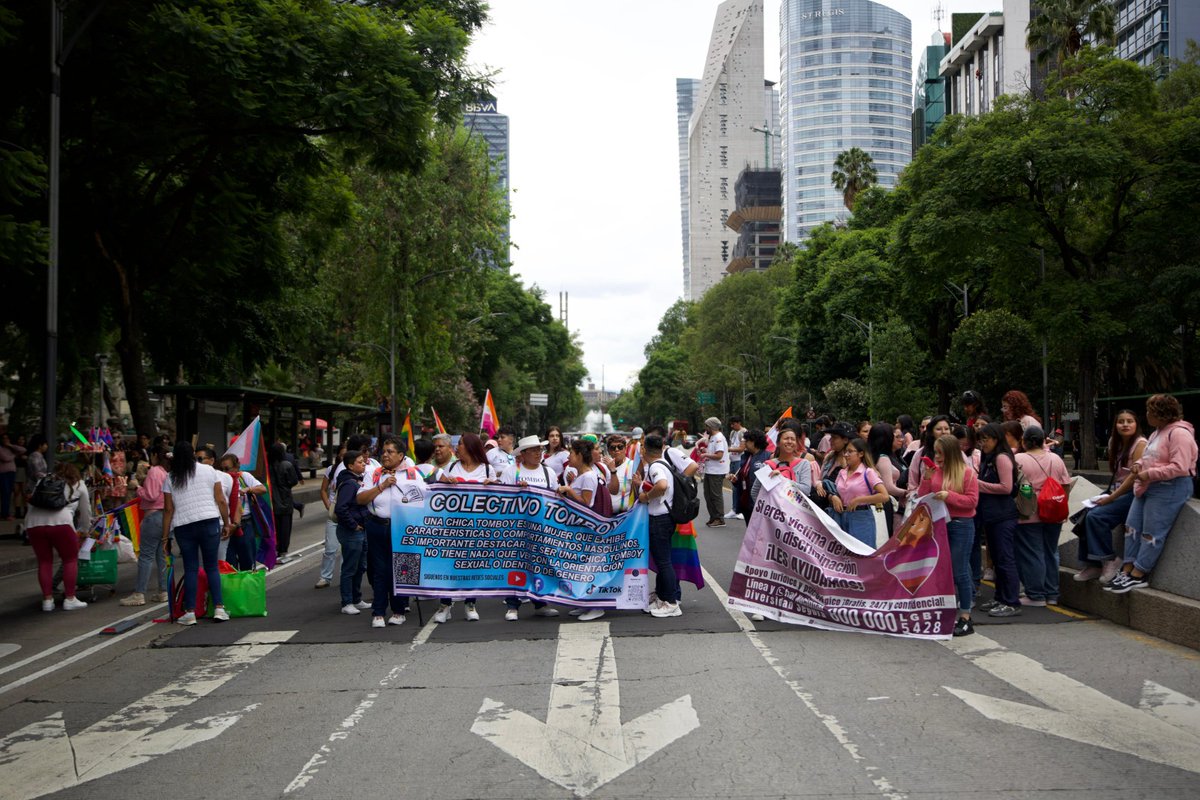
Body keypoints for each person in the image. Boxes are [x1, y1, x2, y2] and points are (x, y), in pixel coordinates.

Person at [1106, 394, 1197, 594]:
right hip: (1148, 485)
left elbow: (1180, 467)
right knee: (1132, 527)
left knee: (1151, 533)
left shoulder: (1180, 434)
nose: (1146, 415)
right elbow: (1149, 456)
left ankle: (1140, 573)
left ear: (1160, 414)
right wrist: (1139, 465)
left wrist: (1148, 473)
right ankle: (1128, 567)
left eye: (1149, 411)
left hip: (1169, 487)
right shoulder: (1157, 432)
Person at [162, 441, 232, 624]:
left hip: (183, 526)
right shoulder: (209, 471)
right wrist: (227, 523)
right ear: (193, 453)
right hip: (209, 522)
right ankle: (219, 608)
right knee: (212, 567)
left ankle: (190, 612)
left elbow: (168, 510)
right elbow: (221, 500)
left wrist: (165, 537)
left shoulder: (170, 478)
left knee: (191, 568)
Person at [1074, 409, 1146, 585]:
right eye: (1121, 421)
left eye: (1130, 421)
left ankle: (1110, 560)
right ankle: (1093, 564)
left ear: (1136, 424)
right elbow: (1116, 474)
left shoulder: (1141, 444)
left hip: (1132, 493)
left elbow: (1133, 477)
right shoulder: (1114, 441)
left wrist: (1111, 498)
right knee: (1083, 516)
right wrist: (1108, 495)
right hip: (1115, 490)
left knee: (1097, 517)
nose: (1125, 424)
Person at [918, 434, 980, 636]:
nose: (936, 457)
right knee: (943, 569)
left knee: (959, 570)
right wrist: (927, 479)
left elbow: (972, 502)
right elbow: (922, 497)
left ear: (950, 453)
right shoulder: (935, 471)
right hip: (940, 524)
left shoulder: (968, 473)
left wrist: (949, 496)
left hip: (962, 524)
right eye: (935, 452)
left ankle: (965, 616)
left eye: (940, 453)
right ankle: (948, 610)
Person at [357, 436, 418, 628]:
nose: (385, 455)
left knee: (401, 568)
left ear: (401, 455)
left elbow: (422, 498)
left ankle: (399, 610)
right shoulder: (374, 474)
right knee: (380, 569)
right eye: (383, 451)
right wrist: (382, 486)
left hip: (402, 527)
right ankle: (378, 612)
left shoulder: (412, 474)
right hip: (377, 525)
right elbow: (360, 499)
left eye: (390, 452)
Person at [433, 433, 495, 623]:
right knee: (448, 565)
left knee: (471, 565)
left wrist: (493, 486)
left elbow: (497, 498)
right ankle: (445, 605)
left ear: (469, 446)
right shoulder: (451, 467)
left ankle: (470, 603)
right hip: (453, 527)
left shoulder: (487, 469)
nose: (456, 448)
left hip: (477, 527)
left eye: (459, 444)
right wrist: (444, 482)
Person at [499, 435, 561, 621]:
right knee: (516, 565)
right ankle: (512, 605)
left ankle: (540, 603)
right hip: (517, 529)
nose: (538, 453)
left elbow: (555, 498)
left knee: (540, 565)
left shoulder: (547, 472)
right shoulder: (511, 471)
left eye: (539, 450)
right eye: (533, 450)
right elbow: (502, 499)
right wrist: (518, 491)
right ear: (523, 454)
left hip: (542, 529)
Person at [1014, 425, 1071, 606]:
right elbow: (1066, 484)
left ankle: (1036, 594)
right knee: (1050, 551)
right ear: (1043, 441)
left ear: (1024, 441)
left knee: (1033, 553)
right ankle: (1052, 593)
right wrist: (1062, 504)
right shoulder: (1056, 458)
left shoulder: (1018, 459)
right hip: (1054, 511)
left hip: (1029, 512)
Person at [27, 461, 92, 611]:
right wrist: (85, 529)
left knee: (44, 561)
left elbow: (32, 503)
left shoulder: (42, 481)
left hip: (34, 523)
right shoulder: (79, 484)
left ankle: (47, 601)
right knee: (70, 559)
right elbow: (85, 511)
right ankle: (70, 598)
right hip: (61, 523)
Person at [975, 423, 1022, 617]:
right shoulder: (989, 458)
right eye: (981, 439)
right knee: (997, 558)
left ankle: (1011, 601)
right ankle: (1000, 596)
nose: (983, 443)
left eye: (986, 439)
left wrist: (977, 484)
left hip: (1003, 516)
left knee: (1005, 559)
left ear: (996, 439)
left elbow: (1006, 488)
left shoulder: (1002, 458)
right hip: (992, 516)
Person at [119, 446, 170, 606]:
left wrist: (137, 488)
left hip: (153, 516)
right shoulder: (168, 472)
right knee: (161, 555)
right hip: (165, 516)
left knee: (146, 556)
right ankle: (163, 590)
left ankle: (139, 593)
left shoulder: (155, 471)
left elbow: (151, 495)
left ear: (155, 455)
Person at [639, 434, 681, 618]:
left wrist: (646, 497)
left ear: (644, 449)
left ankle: (671, 603)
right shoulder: (663, 463)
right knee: (663, 560)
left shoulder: (656, 466)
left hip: (660, 519)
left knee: (664, 562)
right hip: (666, 518)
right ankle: (663, 596)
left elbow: (662, 485)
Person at [830, 438, 890, 548]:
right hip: (842, 516)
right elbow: (835, 490)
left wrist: (859, 500)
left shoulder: (868, 472)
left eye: (850, 451)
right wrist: (833, 496)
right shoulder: (842, 472)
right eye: (845, 451)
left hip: (862, 518)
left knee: (862, 553)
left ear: (861, 454)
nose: (846, 455)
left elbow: (884, 496)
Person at [334, 451, 371, 615]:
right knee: (350, 567)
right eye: (360, 462)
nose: (363, 464)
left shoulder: (356, 480)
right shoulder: (349, 483)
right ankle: (347, 602)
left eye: (364, 462)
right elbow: (341, 508)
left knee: (360, 566)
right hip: (351, 531)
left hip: (360, 530)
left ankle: (356, 599)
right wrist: (353, 525)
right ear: (350, 465)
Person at [751, 426, 813, 506]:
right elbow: (755, 491)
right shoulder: (767, 465)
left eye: (793, 439)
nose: (790, 441)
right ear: (778, 443)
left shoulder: (804, 464)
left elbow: (806, 490)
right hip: (773, 514)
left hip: (794, 515)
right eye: (786, 438)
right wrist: (766, 510)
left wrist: (782, 479)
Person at [317, 441, 349, 589]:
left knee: (346, 549)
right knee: (330, 547)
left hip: (348, 514)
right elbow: (323, 490)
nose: (343, 459)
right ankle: (325, 577)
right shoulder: (331, 469)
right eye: (341, 456)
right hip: (334, 514)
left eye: (346, 456)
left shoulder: (356, 471)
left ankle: (344, 576)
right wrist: (328, 505)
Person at [867, 423, 904, 538]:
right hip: (885, 504)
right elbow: (889, 487)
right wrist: (906, 492)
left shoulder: (868, 456)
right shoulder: (883, 459)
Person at [732, 429, 770, 523]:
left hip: (759, 503)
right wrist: (736, 480)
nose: (745, 444)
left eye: (747, 441)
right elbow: (744, 476)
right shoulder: (746, 456)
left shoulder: (768, 457)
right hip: (745, 502)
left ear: (754, 442)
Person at [268, 442, 299, 555]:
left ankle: (275, 546)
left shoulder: (267, 467)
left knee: (275, 525)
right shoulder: (287, 465)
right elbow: (293, 481)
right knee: (285, 526)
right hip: (285, 499)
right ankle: (283, 549)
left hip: (272, 500)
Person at [698, 417, 728, 526]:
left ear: (711, 426)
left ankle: (719, 518)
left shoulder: (719, 437)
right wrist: (705, 451)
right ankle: (713, 517)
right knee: (708, 494)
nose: (706, 428)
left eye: (707, 426)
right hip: (710, 470)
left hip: (717, 471)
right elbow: (714, 452)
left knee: (716, 495)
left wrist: (705, 454)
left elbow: (719, 455)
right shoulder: (713, 437)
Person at [603, 434, 638, 514]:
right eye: (613, 447)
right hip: (606, 517)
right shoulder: (604, 466)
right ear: (608, 451)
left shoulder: (632, 465)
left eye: (620, 447)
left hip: (625, 515)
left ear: (625, 449)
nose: (616, 450)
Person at [557, 439, 597, 507]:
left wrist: (568, 489)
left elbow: (586, 504)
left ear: (579, 456)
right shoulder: (580, 475)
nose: (568, 457)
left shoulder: (588, 477)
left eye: (571, 453)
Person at [0, 433, 25, 520]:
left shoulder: (11, 448)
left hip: (12, 473)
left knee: (9, 493)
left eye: (7, 438)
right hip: (3, 473)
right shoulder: (1, 448)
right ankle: (5, 514)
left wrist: (11, 445)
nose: (6, 440)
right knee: (5, 492)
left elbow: (23, 450)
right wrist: (15, 455)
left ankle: (5, 513)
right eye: (4, 438)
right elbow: (5, 458)